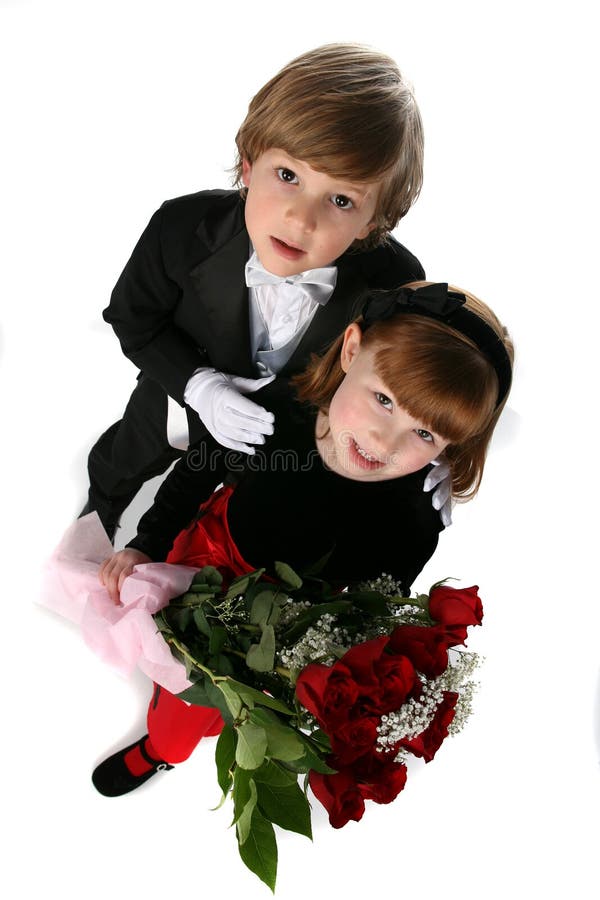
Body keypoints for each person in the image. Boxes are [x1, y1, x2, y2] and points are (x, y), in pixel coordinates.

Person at [89, 281, 514, 797]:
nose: (385, 441)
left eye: (424, 434)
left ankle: (181, 739)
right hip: (209, 560)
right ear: (352, 350)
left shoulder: (413, 519)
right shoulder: (279, 410)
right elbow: (197, 471)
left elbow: (374, 603)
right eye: (383, 399)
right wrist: (148, 543)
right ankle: (163, 746)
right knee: (177, 692)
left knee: (228, 702)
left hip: (284, 631)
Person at [82, 43, 432, 543]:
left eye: (340, 199)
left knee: (237, 518)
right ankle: (100, 508)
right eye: (288, 176)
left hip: (278, 435)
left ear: (371, 220)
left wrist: (449, 452)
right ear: (248, 166)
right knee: (126, 457)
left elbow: (430, 366)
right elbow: (133, 319)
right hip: (174, 397)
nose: (301, 219)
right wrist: (200, 388)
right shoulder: (181, 227)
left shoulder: (394, 280)